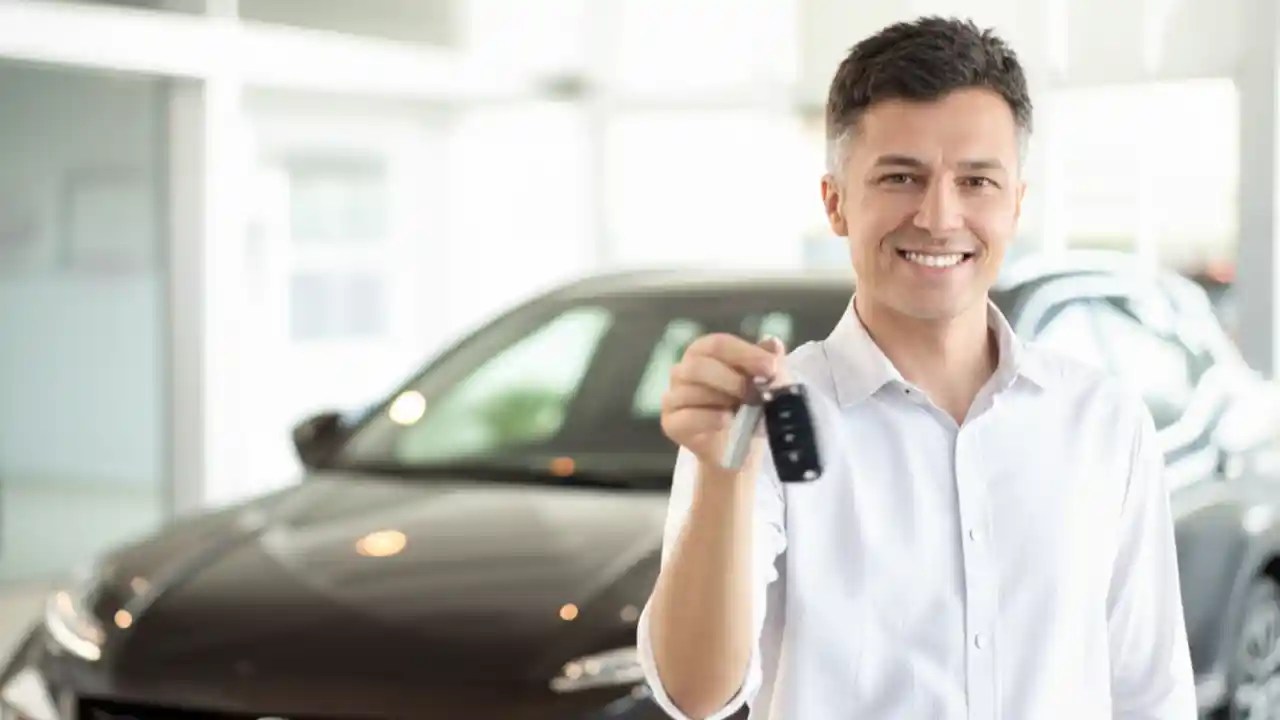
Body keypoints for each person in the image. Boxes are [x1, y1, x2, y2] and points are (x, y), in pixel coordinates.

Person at [636, 15, 1197, 720]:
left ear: (1016, 204)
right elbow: (696, 695)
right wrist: (725, 477)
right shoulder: (758, 426)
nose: (938, 216)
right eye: (901, 177)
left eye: (977, 181)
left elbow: (1151, 694)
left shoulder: (1104, 422)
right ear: (836, 203)